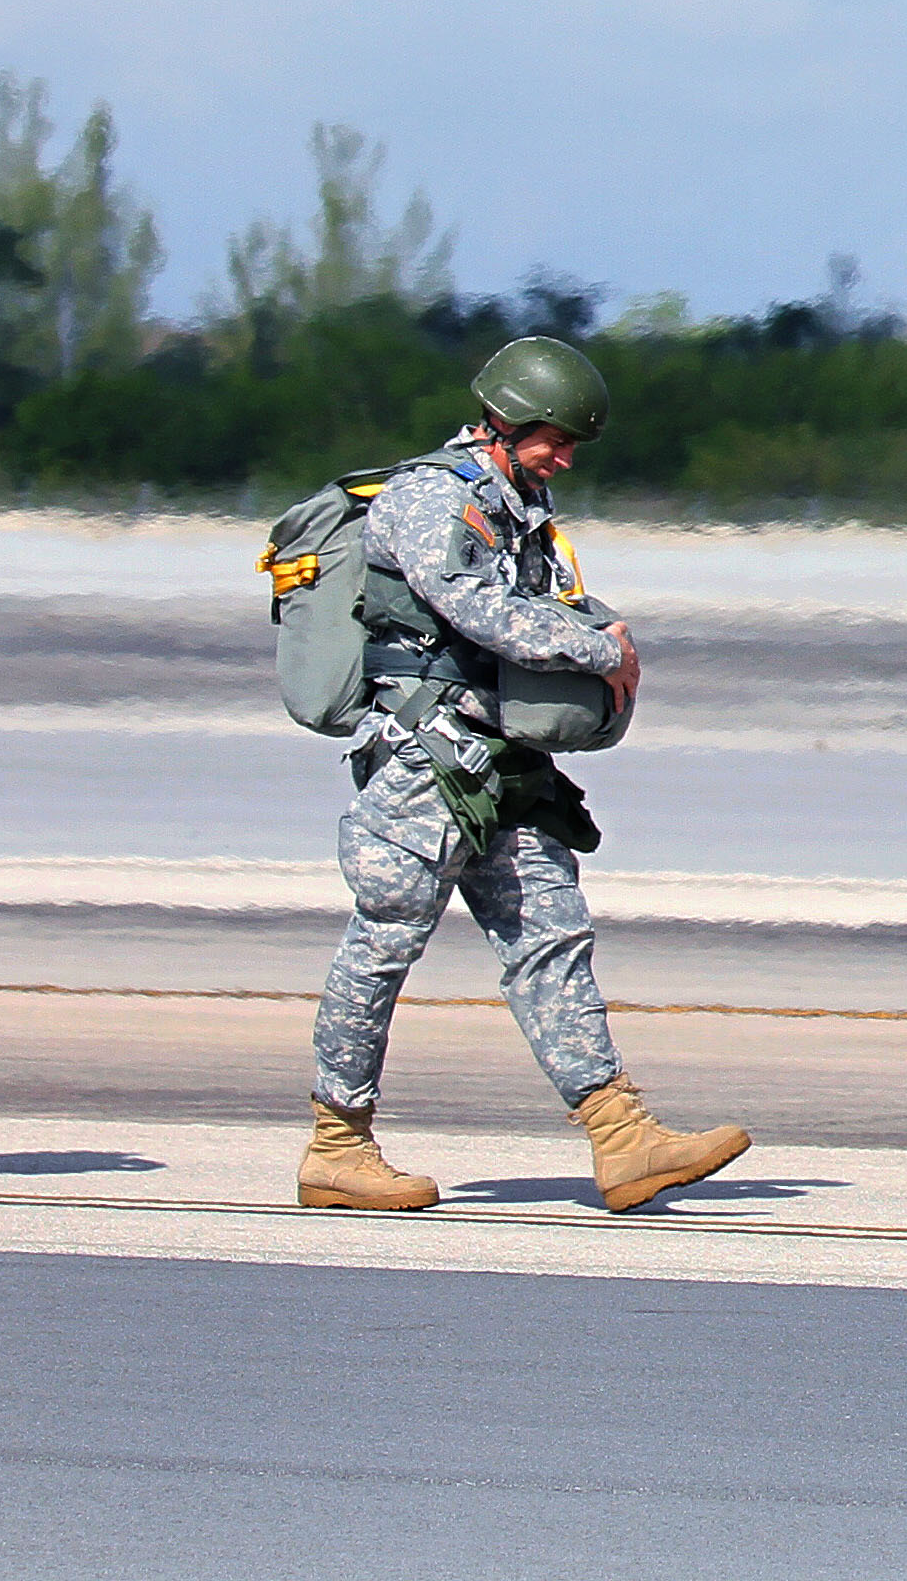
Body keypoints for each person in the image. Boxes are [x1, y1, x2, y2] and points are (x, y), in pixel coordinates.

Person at [296, 334, 750, 1214]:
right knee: (383, 943)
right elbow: (474, 605)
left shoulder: (519, 504)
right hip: (423, 769)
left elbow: (536, 603)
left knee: (552, 935)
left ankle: (622, 1137)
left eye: (574, 442)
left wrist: (598, 632)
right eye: (553, 438)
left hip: (502, 765)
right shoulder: (429, 499)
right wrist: (597, 651)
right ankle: (336, 1144)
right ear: (503, 420)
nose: (566, 457)